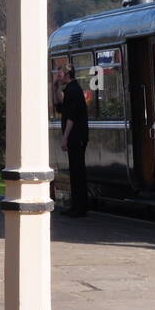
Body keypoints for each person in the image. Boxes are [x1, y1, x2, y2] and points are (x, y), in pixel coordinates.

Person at [57, 66, 89, 216]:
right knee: (75, 171)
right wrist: (55, 88)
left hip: (77, 136)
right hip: (75, 136)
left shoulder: (74, 90)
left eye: (60, 72)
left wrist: (65, 138)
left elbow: (71, 117)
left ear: (67, 74)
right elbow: (61, 109)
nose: (58, 75)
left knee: (77, 171)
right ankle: (77, 205)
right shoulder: (70, 89)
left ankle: (80, 207)